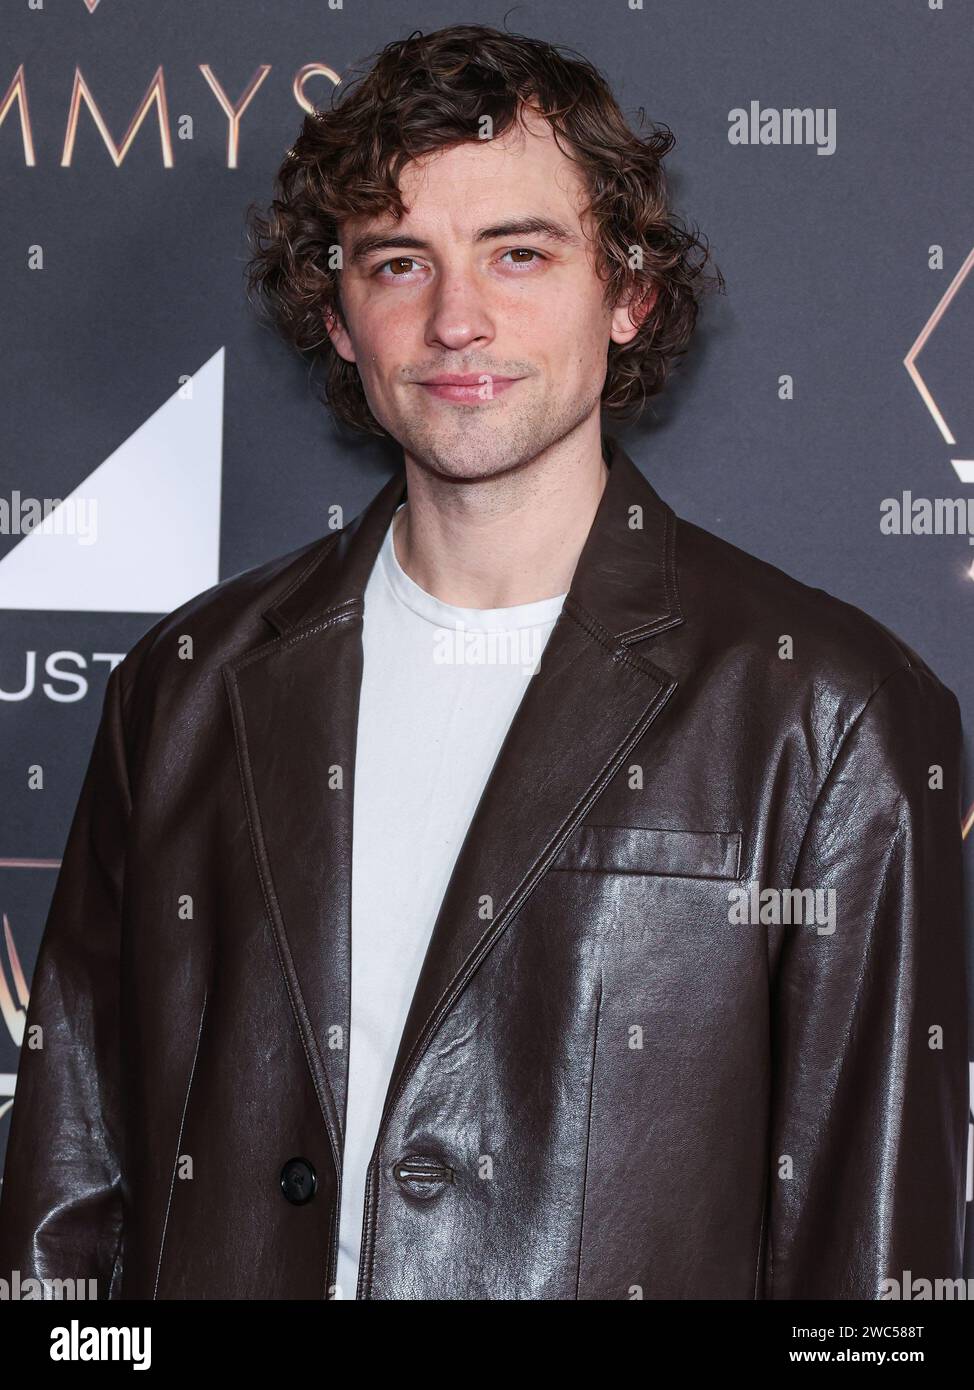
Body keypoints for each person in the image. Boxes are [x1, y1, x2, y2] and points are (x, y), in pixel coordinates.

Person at [0, 24, 966, 1301]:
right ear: (337, 316)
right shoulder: (182, 688)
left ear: (627, 294)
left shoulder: (829, 712)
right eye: (400, 262)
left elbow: (866, 1255)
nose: (457, 318)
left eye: (519, 252)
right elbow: (67, 1210)